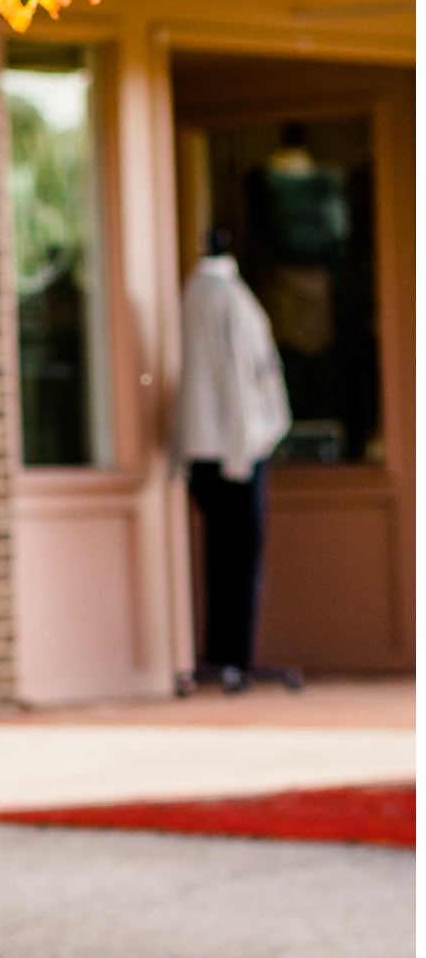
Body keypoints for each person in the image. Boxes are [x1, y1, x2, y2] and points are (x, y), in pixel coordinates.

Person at [174, 224, 292, 690]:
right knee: (240, 554)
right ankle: (235, 659)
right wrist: (243, 453)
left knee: (221, 554)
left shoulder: (191, 294)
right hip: (233, 450)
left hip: (203, 447)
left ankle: (223, 657)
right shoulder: (229, 298)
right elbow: (240, 381)